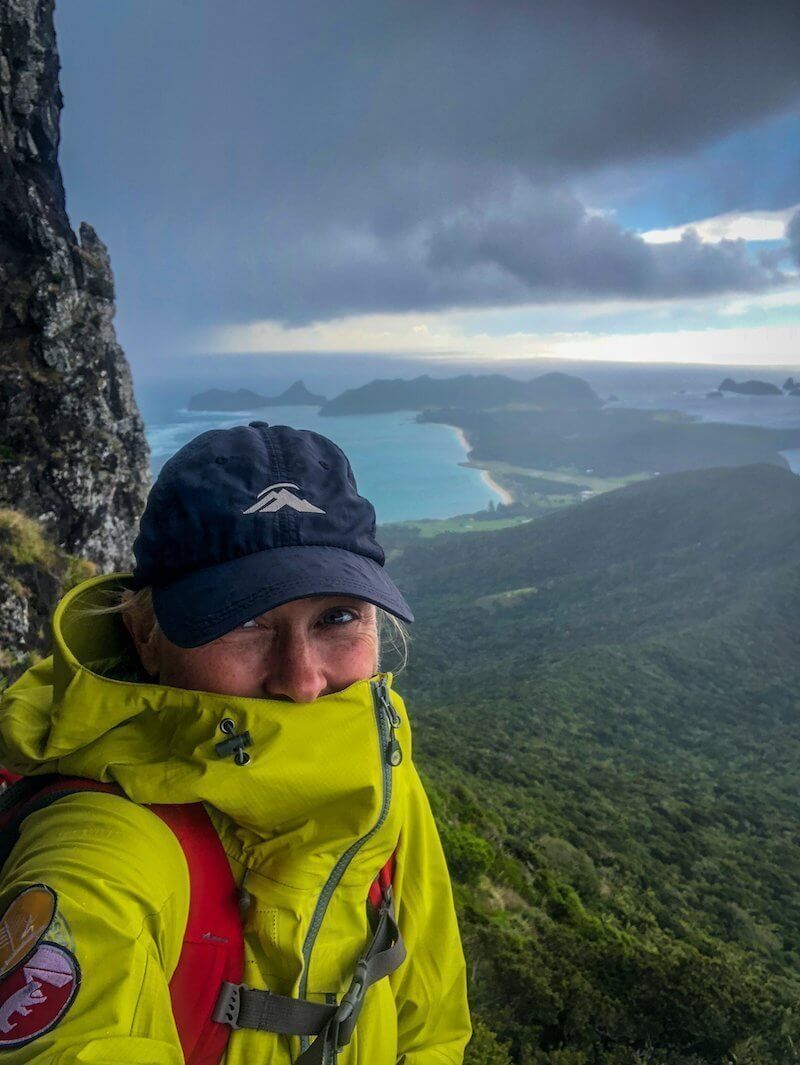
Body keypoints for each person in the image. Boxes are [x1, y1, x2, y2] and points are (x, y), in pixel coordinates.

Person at [0, 422, 471, 1063]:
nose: (303, 681)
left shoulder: (374, 767)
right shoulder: (99, 857)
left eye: (337, 617)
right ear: (145, 633)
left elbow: (433, 1025)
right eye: (244, 621)